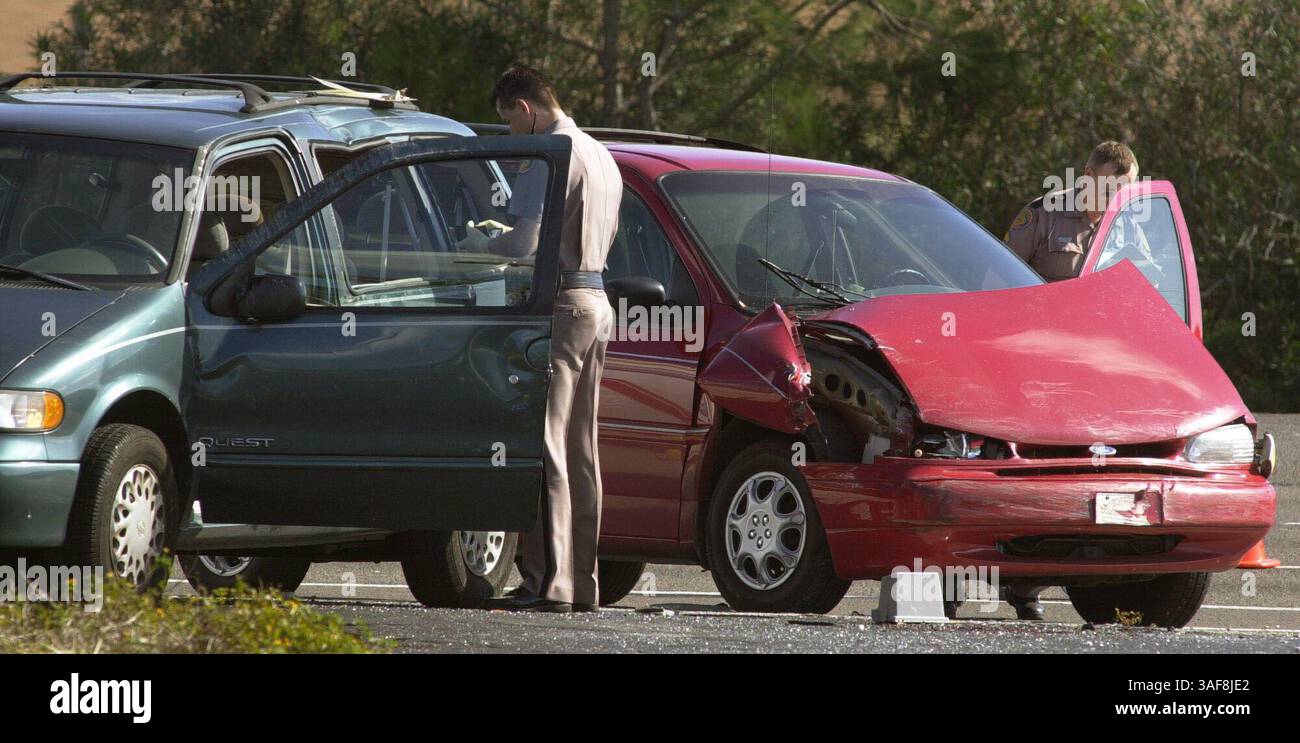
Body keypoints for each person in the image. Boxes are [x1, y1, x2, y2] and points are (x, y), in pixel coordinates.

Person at [484, 65, 621, 613]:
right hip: (598, 301)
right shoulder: (601, 153)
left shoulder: (550, 154)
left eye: (509, 123)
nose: (512, 136)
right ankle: (583, 581)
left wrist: (480, 242)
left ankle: (549, 581)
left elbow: (522, 243)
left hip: (561, 302)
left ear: (525, 109)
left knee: (546, 444)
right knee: (582, 449)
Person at [1005, 141, 1140, 282]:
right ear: (1088, 175)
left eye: (1124, 194)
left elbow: (1150, 280)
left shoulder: (1130, 228)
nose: (1116, 202)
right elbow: (1003, 273)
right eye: (1109, 192)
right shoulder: (1044, 214)